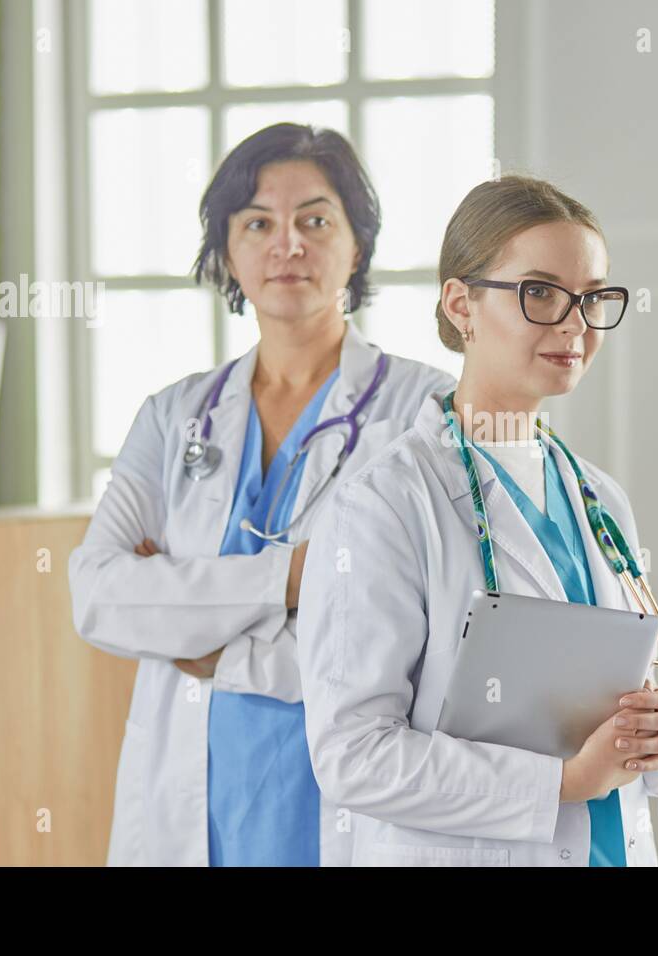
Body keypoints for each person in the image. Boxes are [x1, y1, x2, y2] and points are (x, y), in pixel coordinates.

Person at [68, 123, 454, 866]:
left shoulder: (423, 412)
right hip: (194, 811)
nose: (289, 245)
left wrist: (212, 642)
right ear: (227, 254)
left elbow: (419, 643)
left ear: (357, 246)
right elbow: (100, 595)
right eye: (258, 224)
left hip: (346, 810)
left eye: (316, 219)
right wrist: (294, 577)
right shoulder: (173, 414)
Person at [297, 175, 658, 866]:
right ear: (460, 303)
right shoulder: (382, 506)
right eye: (540, 292)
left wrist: (647, 734)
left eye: (592, 297)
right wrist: (561, 782)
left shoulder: (600, 499)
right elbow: (354, 755)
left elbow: (595, 710)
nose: (574, 323)